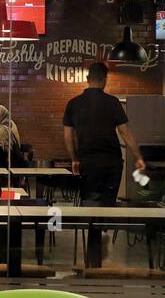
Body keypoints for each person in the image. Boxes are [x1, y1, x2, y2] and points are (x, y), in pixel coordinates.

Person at [62, 62, 145, 205]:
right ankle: (103, 225)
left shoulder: (73, 103)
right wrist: (138, 157)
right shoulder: (113, 102)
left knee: (89, 203)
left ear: (88, 79)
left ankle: (93, 227)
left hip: (87, 163)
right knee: (108, 203)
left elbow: (68, 136)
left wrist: (74, 159)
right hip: (111, 163)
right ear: (104, 80)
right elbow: (125, 132)